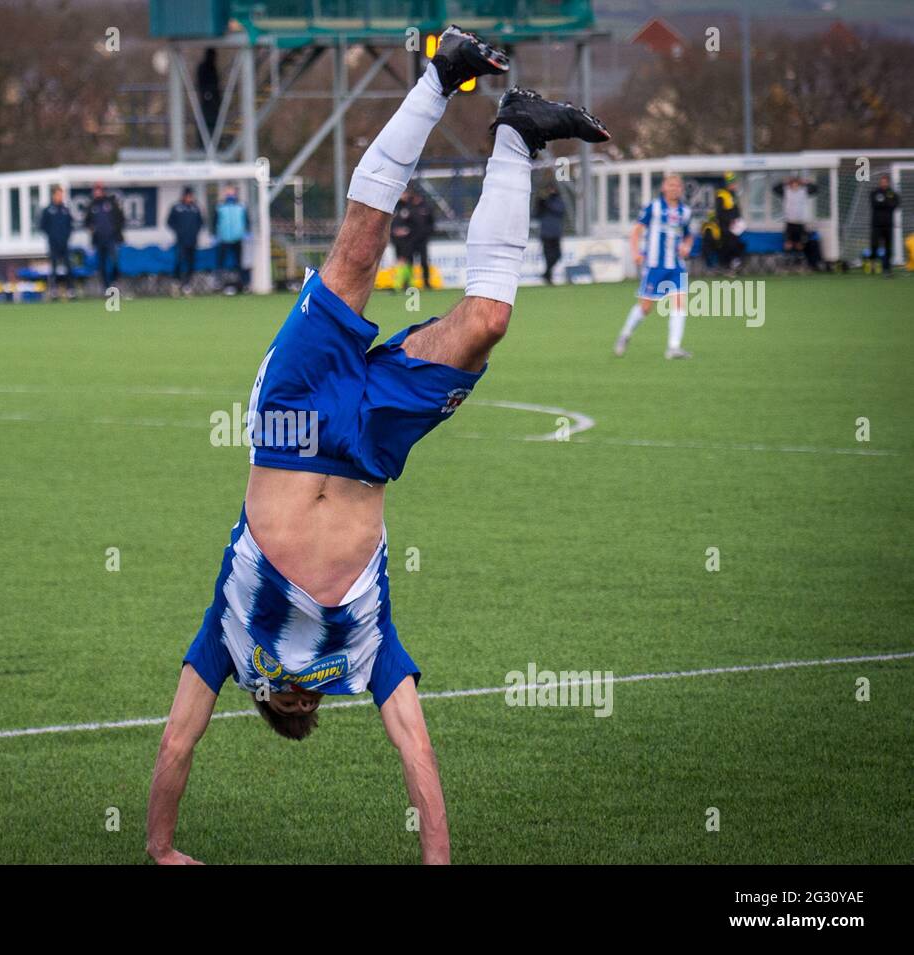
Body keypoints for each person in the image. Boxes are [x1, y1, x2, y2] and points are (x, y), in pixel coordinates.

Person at [144, 27, 608, 866]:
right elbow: (416, 750)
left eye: (282, 701)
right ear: (316, 704)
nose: (291, 695)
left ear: (266, 697)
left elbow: (177, 747)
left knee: (356, 253)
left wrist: (160, 848)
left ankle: (440, 76)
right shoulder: (364, 649)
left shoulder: (229, 639)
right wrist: (437, 854)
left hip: (289, 424)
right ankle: (517, 135)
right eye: (300, 703)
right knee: (485, 324)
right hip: (371, 445)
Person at [614, 173, 694, 360]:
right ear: (664, 187)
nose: (675, 188)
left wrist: (686, 246)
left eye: (678, 186)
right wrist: (635, 253)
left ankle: (673, 347)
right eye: (671, 185)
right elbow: (636, 231)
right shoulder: (654, 208)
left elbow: (688, 235)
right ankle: (625, 334)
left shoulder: (685, 212)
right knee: (646, 308)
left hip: (676, 266)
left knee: (680, 303)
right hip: (654, 266)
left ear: (681, 189)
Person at [84, 182, 124, 292]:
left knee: (115, 261)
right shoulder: (92, 205)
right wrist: (92, 229)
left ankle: (115, 280)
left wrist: (116, 231)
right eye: (95, 191)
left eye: (99, 190)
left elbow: (120, 218)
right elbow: (86, 222)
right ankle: (106, 287)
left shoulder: (111, 203)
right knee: (101, 264)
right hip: (99, 239)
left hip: (112, 239)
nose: (97, 193)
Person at [38, 186, 76, 300]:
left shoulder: (65, 209)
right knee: (53, 267)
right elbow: (42, 226)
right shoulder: (48, 210)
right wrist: (52, 236)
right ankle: (54, 290)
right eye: (59, 194)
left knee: (68, 267)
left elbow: (70, 225)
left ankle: (71, 290)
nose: (61, 197)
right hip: (53, 243)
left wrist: (66, 236)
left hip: (64, 243)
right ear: (54, 195)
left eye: (62, 194)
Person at [773, 175, 817, 269]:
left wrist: (807, 182)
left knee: (799, 244)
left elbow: (815, 189)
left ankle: (799, 263)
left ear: (799, 184)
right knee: (788, 243)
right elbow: (775, 189)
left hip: (800, 222)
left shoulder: (803, 191)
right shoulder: (786, 191)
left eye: (796, 184)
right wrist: (784, 181)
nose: (794, 186)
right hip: (790, 222)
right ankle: (787, 263)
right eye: (793, 184)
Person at [166, 187, 204, 294]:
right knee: (178, 261)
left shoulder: (195, 208)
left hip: (192, 241)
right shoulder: (177, 207)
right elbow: (169, 222)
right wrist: (179, 231)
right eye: (188, 196)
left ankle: (187, 284)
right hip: (180, 241)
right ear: (184, 196)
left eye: (191, 196)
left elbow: (201, 222)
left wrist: (195, 232)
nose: (189, 198)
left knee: (191, 263)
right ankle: (176, 282)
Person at [214, 185, 247, 294]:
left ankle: (242, 284)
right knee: (221, 262)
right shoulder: (220, 207)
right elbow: (214, 222)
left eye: (231, 192)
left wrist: (246, 233)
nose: (230, 195)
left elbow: (247, 221)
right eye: (228, 192)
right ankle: (219, 283)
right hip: (224, 238)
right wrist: (215, 234)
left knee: (238, 263)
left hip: (237, 238)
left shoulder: (241, 207)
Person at [869, 174, 901, 276]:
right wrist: (887, 203)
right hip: (876, 225)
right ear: (880, 182)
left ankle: (886, 268)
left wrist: (884, 202)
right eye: (882, 181)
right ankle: (872, 263)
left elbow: (895, 205)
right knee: (874, 245)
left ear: (888, 182)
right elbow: (875, 204)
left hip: (888, 225)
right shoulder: (875, 192)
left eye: (885, 181)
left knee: (888, 247)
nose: (883, 183)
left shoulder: (892, 193)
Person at [535, 184, 566, 283]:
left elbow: (560, 210)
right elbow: (536, 215)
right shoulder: (543, 203)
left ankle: (546, 273)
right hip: (545, 234)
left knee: (557, 255)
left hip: (555, 233)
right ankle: (548, 277)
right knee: (547, 257)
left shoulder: (557, 201)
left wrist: (547, 202)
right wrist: (539, 203)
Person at [714, 173, 744, 272]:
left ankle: (733, 265)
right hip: (725, 227)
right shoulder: (721, 194)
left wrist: (738, 219)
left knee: (736, 244)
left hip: (735, 226)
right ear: (727, 184)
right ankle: (726, 266)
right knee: (726, 246)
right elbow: (719, 213)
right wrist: (729, 221)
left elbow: (736, 209)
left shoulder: (733, 194)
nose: (734, 185)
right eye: (732, 183)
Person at [407, 188, 436, 288]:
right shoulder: (408, 207)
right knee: (409, 262)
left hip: (423, 240)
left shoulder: (426, 207)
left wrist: (427, 233)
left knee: (424, 262)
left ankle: (426, 283)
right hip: (410, 240)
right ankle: (408, 283)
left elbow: (431, 223)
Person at [389, 189, 416, 292]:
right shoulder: (395, 207)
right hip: (397, 240)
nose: (402, 196)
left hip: (408, 240)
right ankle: (410, 284)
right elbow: (391, 223)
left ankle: (397, 285)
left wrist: (407, 231)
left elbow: (416, 224)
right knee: (403, 261)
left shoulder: (410, 208)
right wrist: (393, 232)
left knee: (403, 260)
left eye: (404, 193)